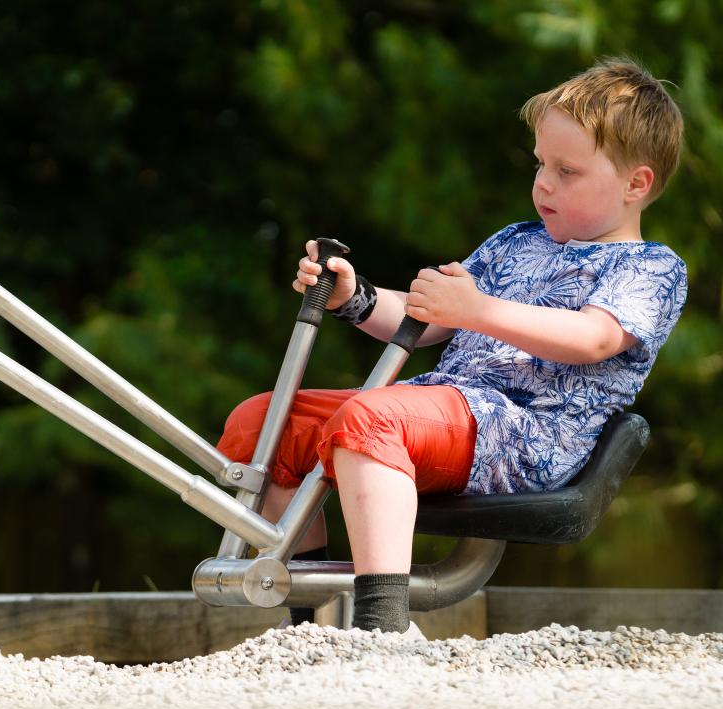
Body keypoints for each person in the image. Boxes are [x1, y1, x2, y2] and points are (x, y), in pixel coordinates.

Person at [216, 57, 688, 635]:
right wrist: (353, 296)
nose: (543, 183)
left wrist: (481, 310)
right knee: (263, 421)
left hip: (527, 432)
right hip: (445, 406)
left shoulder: (651, 269)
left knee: (373, 419)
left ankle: (382, 626)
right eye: (540, 164)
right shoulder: (516, 242)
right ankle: (311, 614)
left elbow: (592, 339)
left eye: (568, 171)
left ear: (636, 184)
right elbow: (427, 321)